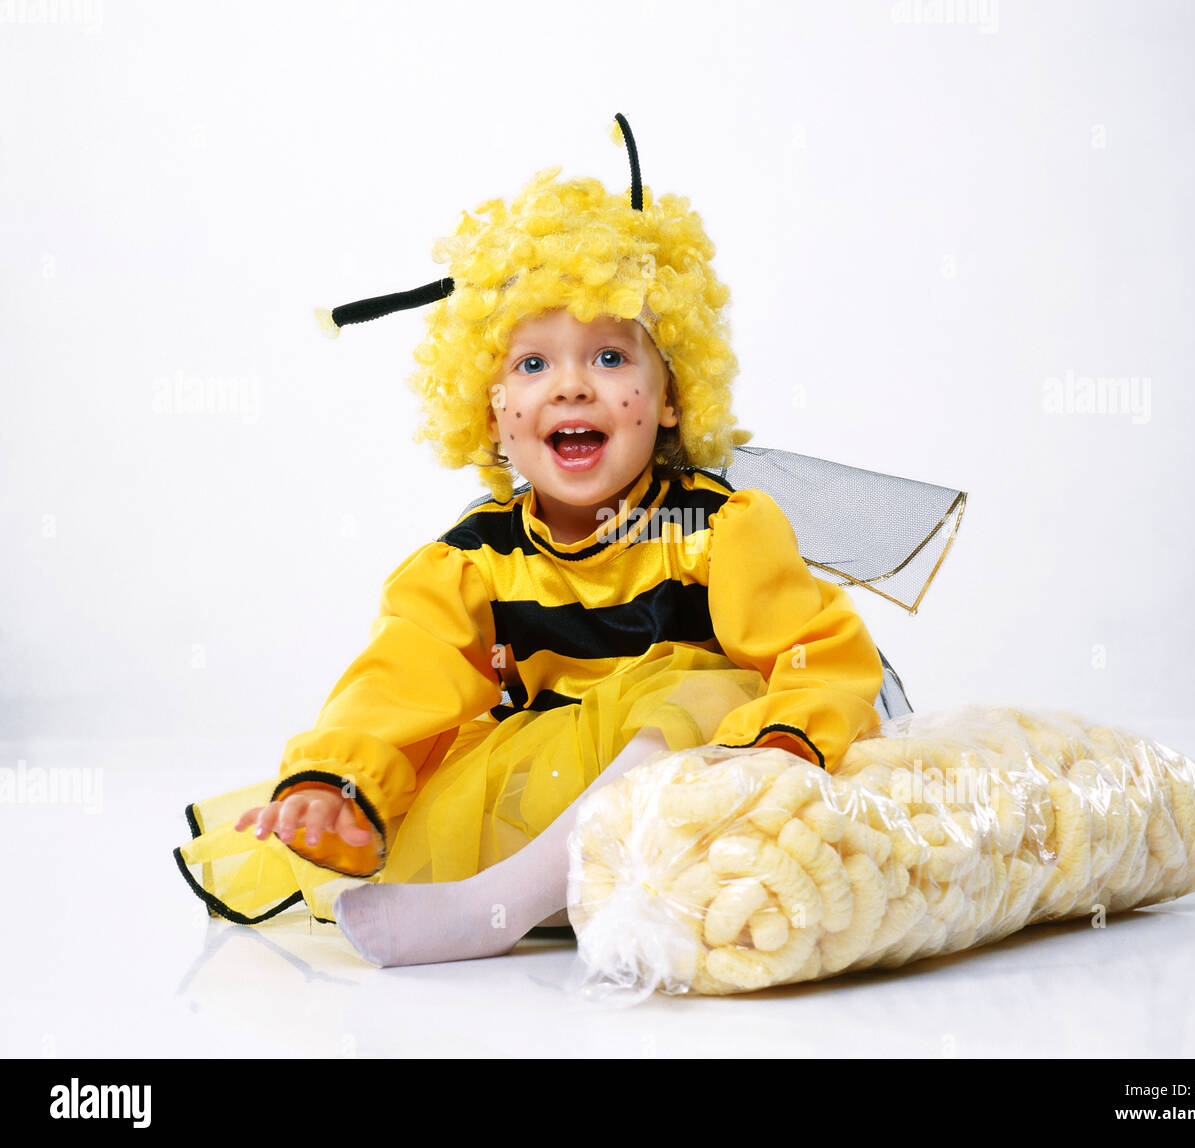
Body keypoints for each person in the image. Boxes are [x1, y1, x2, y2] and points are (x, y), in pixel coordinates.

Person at [172, 118, 888, 967]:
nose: (574, 383)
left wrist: (783, 738)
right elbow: (402, 674)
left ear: (671, 399)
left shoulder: (717, 529)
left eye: (613, 356)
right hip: (553, 787)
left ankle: (498, 907)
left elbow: (816, 652)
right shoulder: (474, 559)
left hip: (699, 783)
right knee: (457, 758)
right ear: (488, 412)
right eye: (533, 365)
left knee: (701, 686)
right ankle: (558, 881)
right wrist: (340, 775)